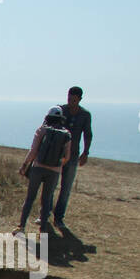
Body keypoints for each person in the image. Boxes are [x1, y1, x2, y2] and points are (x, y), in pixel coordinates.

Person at [15, 106, 72, 235]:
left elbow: (33, 151)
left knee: (30, 198)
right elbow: (67, 157)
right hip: (54, 172)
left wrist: (24, 165)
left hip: (38, 168)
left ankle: (21, 226)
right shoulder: (66, 134)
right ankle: (43, 230)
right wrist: (57, 165)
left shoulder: (42, 130)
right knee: (46, 200)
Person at [51, 86, 92, 230]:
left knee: (66, 188)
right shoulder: (60, 110)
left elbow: (88, 134)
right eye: (69, 98)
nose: (71, 102)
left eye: (74, 99)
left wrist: (86, 153)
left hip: (73, 156)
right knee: (50, 185)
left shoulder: (85, 115)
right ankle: (44, 214)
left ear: (80, 99)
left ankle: (59, 218)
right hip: (56, 154)